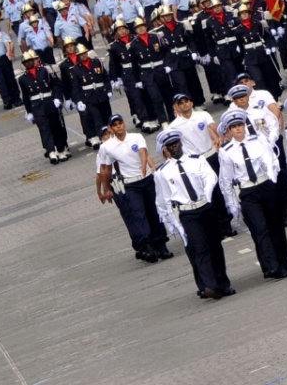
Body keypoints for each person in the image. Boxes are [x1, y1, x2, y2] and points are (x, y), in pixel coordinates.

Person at [153, 129, 234, 299]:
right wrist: (171, 223)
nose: (174, 147)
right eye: (170, 145)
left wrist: (207, 191)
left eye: (176, 143)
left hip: (205, 206)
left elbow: (210, 177)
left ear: (181, 143)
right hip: (187, 213)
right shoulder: (162, 172)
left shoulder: (196, 160)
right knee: (200, 247)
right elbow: (163, 200)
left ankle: (222, 284)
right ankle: (209, 285)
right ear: (165, 148)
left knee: (215, 246)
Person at [215, 109, 287, 279]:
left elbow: (272, 160)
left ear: (244, 125)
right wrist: (231, 203)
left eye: (239, 125)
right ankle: (272, 266)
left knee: (276, 226)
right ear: (229, 130)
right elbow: (226, 180)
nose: (237, 129)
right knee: (260, 228)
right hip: (248, 191)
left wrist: (273, 175)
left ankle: (284, 261)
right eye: (233, 127)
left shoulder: (258, 139)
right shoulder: (226, 151)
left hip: (265, 184)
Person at [96, 115, 169, 261]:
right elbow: (105, 170)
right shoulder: (107, 147)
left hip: (146, 179)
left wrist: (143, 164)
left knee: (154, 212)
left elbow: (143, 152)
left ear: (124, 124)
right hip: (130, 184)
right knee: (138, 214)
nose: (119, 126)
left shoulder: (136, 137)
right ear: (110, 128)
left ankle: (161, 244)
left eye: (120, 123)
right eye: (115, 125)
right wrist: (106, 189)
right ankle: (148, 246)